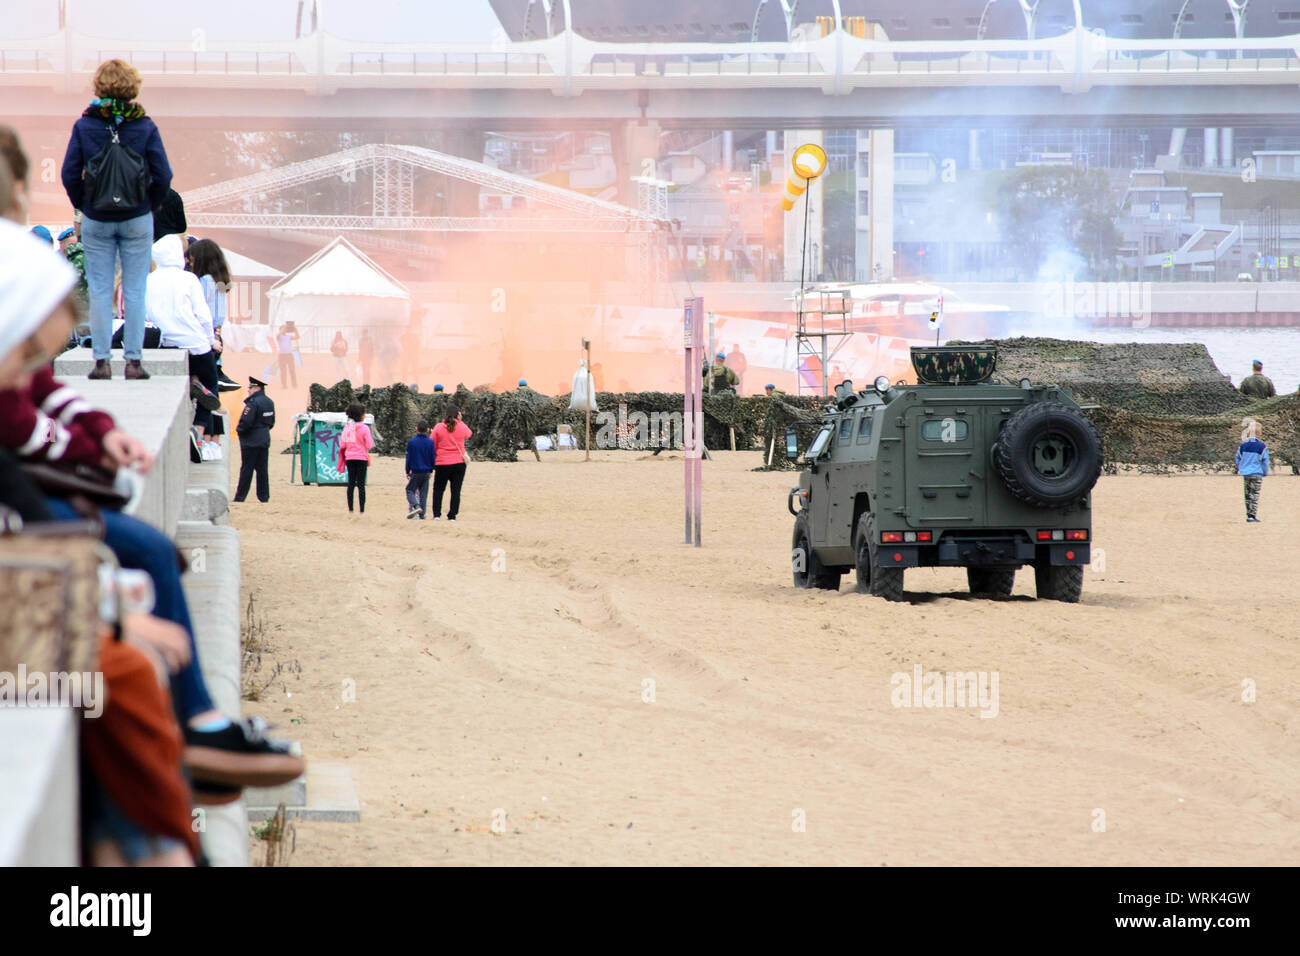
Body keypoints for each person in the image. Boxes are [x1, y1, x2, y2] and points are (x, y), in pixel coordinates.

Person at [0, 220, 303, 802]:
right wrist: (113, 614)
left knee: (152, 558)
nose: (36, 364)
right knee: (133, 658)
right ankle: (196, 738)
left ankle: (196, 740)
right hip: (21, 528)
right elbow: (17, 440)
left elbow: (38, 392)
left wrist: (100, 427)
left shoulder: (19, 353)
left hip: (24, 508)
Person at [61, 59, 173, 381]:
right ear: (132, 86)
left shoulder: (85, 126)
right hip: (137, 218)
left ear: (99, 86)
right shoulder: (145, 126)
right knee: (135, 289)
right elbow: (163, 174)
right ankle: (134, 362)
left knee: (99, 290)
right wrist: (147, 205)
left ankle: (102, 361)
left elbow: (69, 172)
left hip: (97, 218)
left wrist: (84, 203)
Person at [146, 235, 221, 457]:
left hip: (162, 344)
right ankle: (197, 431)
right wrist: (211, 341)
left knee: (173, 388)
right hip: (193, 343)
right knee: (211, 385)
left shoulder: (148, 280)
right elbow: (204, 316)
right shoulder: (189, 279)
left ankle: (190, 389)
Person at [185, 237, 239, 392]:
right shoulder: (219, 281)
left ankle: (200, 382)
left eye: (192, 262)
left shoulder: (204, 280)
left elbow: (198, 309)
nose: (190, 265)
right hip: (217, 332)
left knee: (200, 373)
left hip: (205, 332)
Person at [234, 375, 275, 503]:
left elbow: (246, 422)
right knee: (262, 470)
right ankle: (264, 497)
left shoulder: (253, 403)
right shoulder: (269, 402)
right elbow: (271, 422)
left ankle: (240, 497)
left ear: (256, 388)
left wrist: (239, 431)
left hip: (250, 441)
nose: (248, 390)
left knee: (247, 469)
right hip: (264, 439)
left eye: (250, 388)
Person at [431, 404, 472, 521]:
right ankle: (452, 515)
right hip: (459, 462)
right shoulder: (461, 426)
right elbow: (469, 434)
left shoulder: (439, 427)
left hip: (442, 462)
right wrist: (460, 421)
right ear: (458, 415)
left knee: (438, 489)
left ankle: (437, 514)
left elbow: (432, 443)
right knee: (456, 490)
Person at [340, 403, 374, 514]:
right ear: (360, 415)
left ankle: (350, 509)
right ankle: (362, 510)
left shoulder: (347, 428)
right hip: (361, 458)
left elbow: (342, 444)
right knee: (361, 485)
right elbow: (369, 445)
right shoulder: (364, 428)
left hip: (349, 458)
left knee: (350, 484)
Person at [1235, 419, 1270, 523]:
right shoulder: (1262, 447)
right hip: (1257, 473)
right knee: (1255, 494)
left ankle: (1248, 514)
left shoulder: (1243, 446)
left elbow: (1237, 457)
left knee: (1247, 494)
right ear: (1259, 433)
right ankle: (1252, 515)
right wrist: (1265, 472)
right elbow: (1265, 461)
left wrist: (1240, 467)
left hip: (1246, 473)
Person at [404, 422, 436, 519]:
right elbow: (432, 457)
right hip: (426, 471)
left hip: (415, 470)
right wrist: (431, 470)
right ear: (427, 430)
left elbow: (409, 457)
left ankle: (416, 506)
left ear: (416, 429)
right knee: (423, 493)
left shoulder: (412, 442)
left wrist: (407, 470)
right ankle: (422, 514)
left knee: (409, 490)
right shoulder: (430, 442)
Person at [276, 321, 298, 389]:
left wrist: (295, 329)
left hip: (289, 355)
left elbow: (297, 337)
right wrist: (284, 327)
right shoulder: (279, 337)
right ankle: (284, 385)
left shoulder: (288, 336)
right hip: (282, 355)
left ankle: (294, 384)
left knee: (292, 370)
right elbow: (278, 335)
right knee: (283, 371)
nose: (285, 330)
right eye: (283, 329)